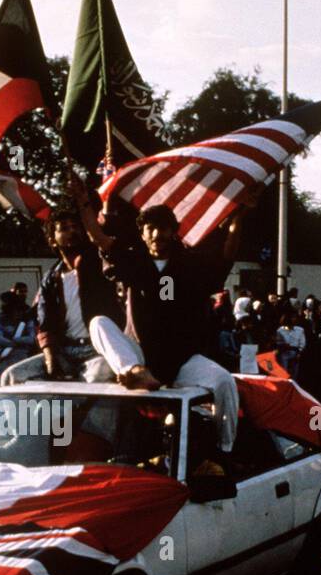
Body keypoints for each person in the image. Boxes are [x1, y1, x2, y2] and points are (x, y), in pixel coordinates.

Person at [70, 181, 245, 451]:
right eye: (150, 228)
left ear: (174, 232)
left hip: (181, 360)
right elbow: (98, 238)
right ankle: (134, 373)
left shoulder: (189, 263)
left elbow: (227, 255)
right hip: (139, 358)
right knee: (98, 324)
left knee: (225, 383)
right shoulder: (132, 260)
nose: (157, 234)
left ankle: (225, 450)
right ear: (142, 234)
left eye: (163, 228)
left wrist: (237, 217)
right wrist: (83, 204)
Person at [3, 208, 121, 385]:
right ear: (52, 239)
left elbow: (103, 236)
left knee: (97, 379)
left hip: (98, 350)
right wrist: (50, 360)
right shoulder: (50, 279)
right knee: (12, 376)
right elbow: (45, 325)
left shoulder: (98, 264)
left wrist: (85, 204)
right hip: (64, 351)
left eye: (75, 227)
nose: (72, 231)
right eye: (64, 228)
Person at [274, 309, 307, 380]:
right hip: (284, 354)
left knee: (294, 375)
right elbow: (278, 342)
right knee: (284, 374)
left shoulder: (300, 330)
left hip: (295, 353)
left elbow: (302, 343)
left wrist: (299, 353)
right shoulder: (280, 331)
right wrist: (283, 345)